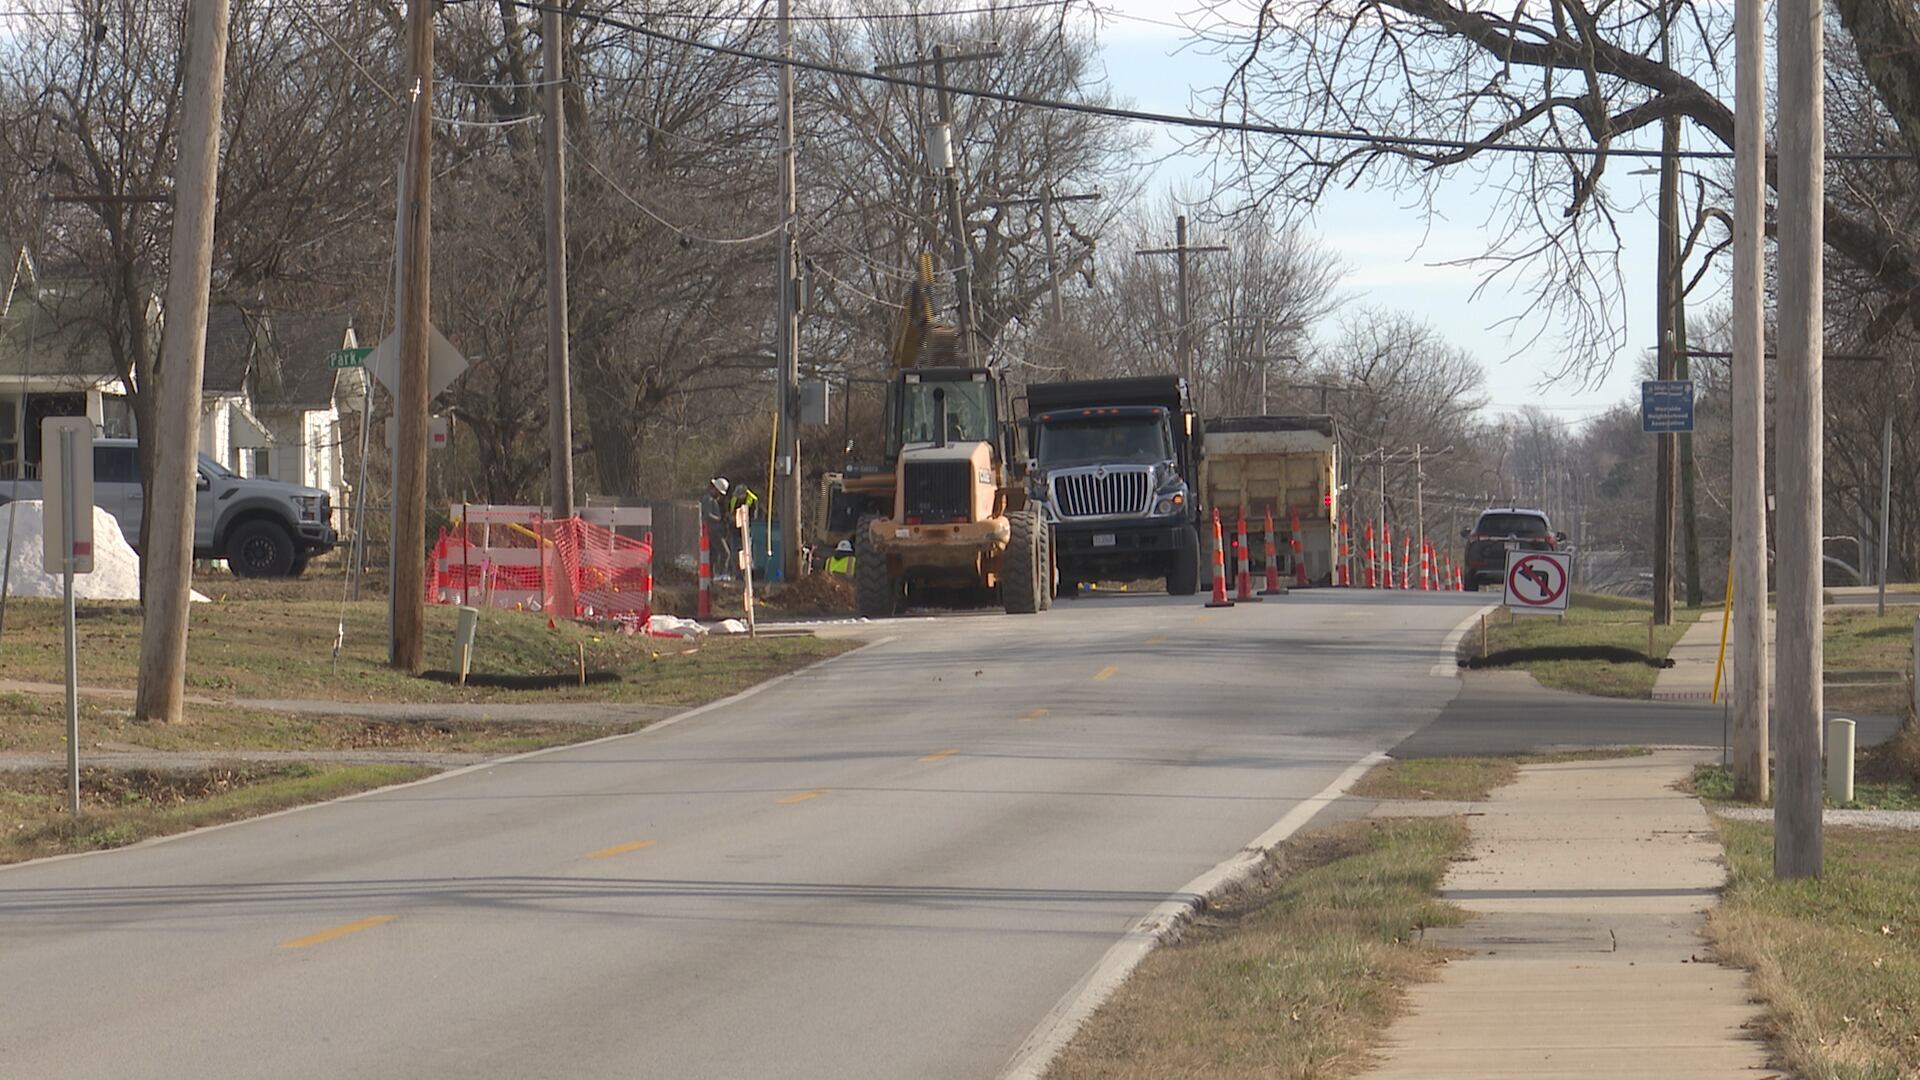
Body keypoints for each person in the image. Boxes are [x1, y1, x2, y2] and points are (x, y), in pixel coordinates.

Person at [701, 477, 735, 579]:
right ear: (715, 489)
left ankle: (711, 576)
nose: (719, 495)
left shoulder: (712, 500)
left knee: (713, 556)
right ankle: (721, 574)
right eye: (719, 492)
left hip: (715, 531)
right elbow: (707, 515)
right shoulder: (708, 499)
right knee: (725, 553)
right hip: (713, 532)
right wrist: (720, 520)